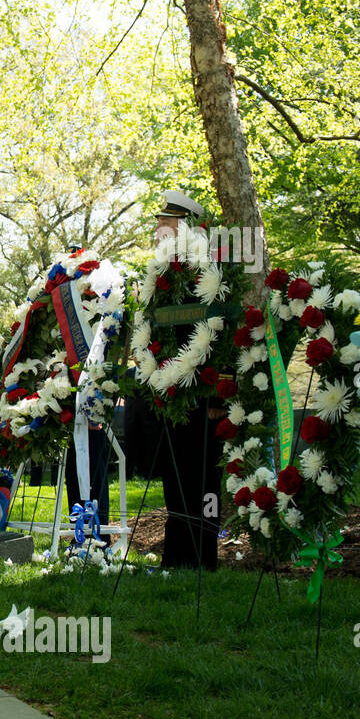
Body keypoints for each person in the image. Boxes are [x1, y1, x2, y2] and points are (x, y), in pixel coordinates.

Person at [152, 189, 224, 571]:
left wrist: (221, 396)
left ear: (185, 227)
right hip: (172, 390)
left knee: (205, 480)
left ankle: (204, 555)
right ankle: (176, 556)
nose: (159, 228)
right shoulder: (165, 274)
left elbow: (221, 334)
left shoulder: (208, 269)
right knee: (176, 476)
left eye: (165, 222)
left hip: (203, 393)